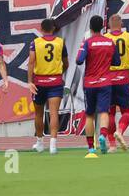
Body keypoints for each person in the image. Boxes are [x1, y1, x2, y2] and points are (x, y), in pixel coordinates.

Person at [75, 15, 118, 154]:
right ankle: (102, 135)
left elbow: (79, 60)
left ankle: (91, 148)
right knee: (104, 112)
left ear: (90, 28)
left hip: (90, 83)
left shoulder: (87, 43)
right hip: (105, 82)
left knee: (89, 115)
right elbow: (116, 62)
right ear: (103, 27)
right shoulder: (110, 42)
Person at [29, 18, 68, 155]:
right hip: (55, 82)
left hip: (39, 82)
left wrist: (30, 81)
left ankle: (40, 143)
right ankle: (53, 145)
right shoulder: (60, 42)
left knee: (38, 114)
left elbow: (31, 63)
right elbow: (66, 63)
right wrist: (59, 74)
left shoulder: (35, 43)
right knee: (53, 113)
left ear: (41, 29)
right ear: (53, 29)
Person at [102, 12, 129, 152]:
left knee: (110, 112)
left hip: (108, 78)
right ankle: (120, 130)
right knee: (126, 111)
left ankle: (112, 145)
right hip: (123, 77)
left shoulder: (105, 38)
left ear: (109, 25)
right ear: (122, 24)